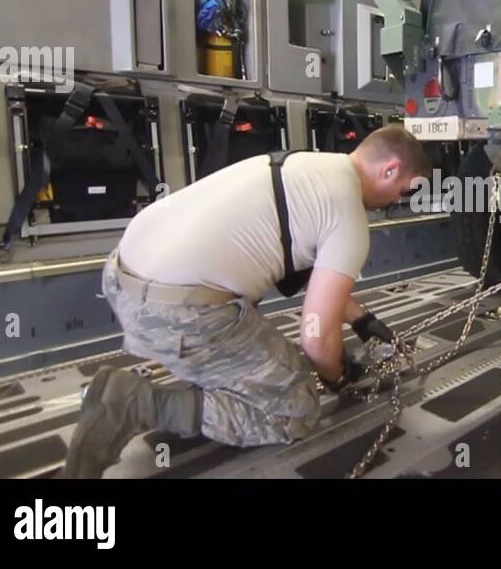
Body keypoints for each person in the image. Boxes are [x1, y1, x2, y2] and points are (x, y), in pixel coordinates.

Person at [62, 125, 431, 478]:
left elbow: (308, 274)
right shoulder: (349, 217)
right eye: (401, 192)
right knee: (297, 409)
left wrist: (362, 320)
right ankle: (139, 403)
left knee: (262, 350)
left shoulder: (308, 165)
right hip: (176, 313)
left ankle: (197, 376)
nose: (394, 204)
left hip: (122, 278)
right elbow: (316, 336)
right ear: (390, 170)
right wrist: (339, 376)